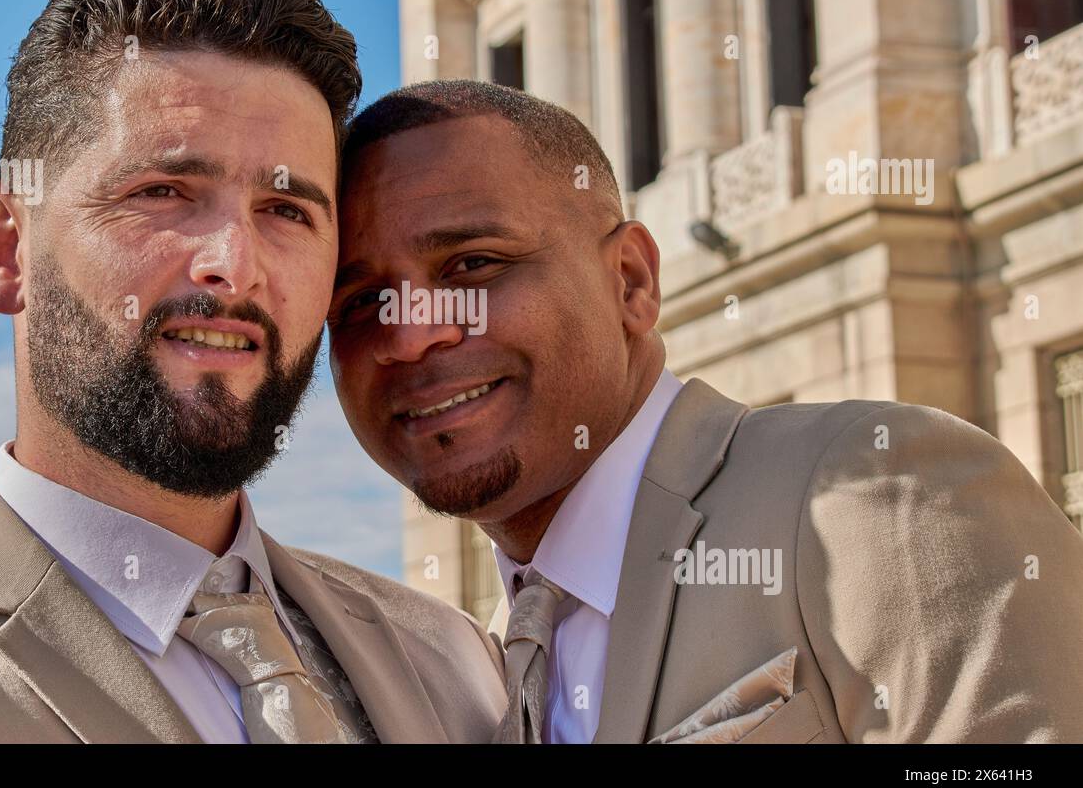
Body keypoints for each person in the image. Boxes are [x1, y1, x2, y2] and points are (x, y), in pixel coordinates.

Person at [0, 0, 504, 744]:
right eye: (162, 192)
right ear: (3, 249)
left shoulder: (455, 665)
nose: (234, 265)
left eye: (287, 208)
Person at [328, 79, 1083, 743]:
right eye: (361, 302)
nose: (410, 332)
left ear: (631, 281)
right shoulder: (478, 672)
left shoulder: (871, 498)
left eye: (472, 265)